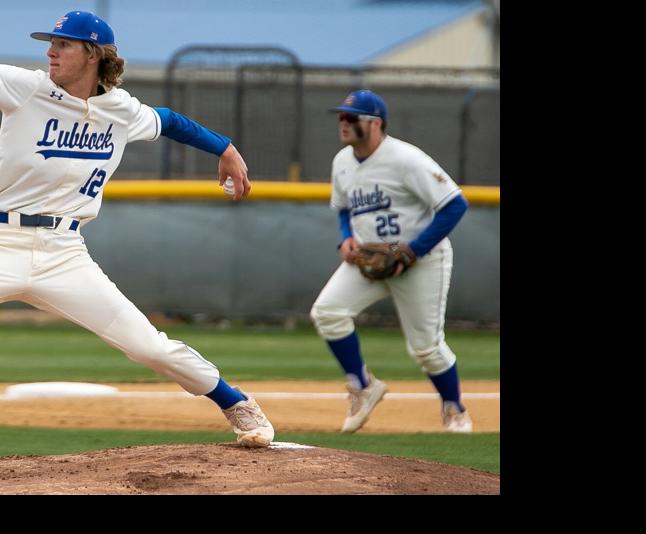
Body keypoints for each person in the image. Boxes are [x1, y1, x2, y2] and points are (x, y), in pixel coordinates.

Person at [0, 11, 274, 447]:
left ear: (93, 55)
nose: (50, 50)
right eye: (50, 42)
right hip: (2, 242)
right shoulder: (25, 86)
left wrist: (225, 147)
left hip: (63, 252)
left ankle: (235, 402)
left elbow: (171, 121)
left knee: (148, 346)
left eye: (64, 44)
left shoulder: (120, 109)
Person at [310, 89, 473, 433]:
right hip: (368, 258)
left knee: (426, 349)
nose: (343, 122)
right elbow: (342, 208)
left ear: (375, 124)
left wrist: (414, 251)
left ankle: (455, 409)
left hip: (421, 261)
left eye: (350, 117)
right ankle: (363, 386)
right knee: (328, 312)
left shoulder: (406, 159)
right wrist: (346, 238)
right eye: (340, 116)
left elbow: (455, 204)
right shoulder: (342, 161)